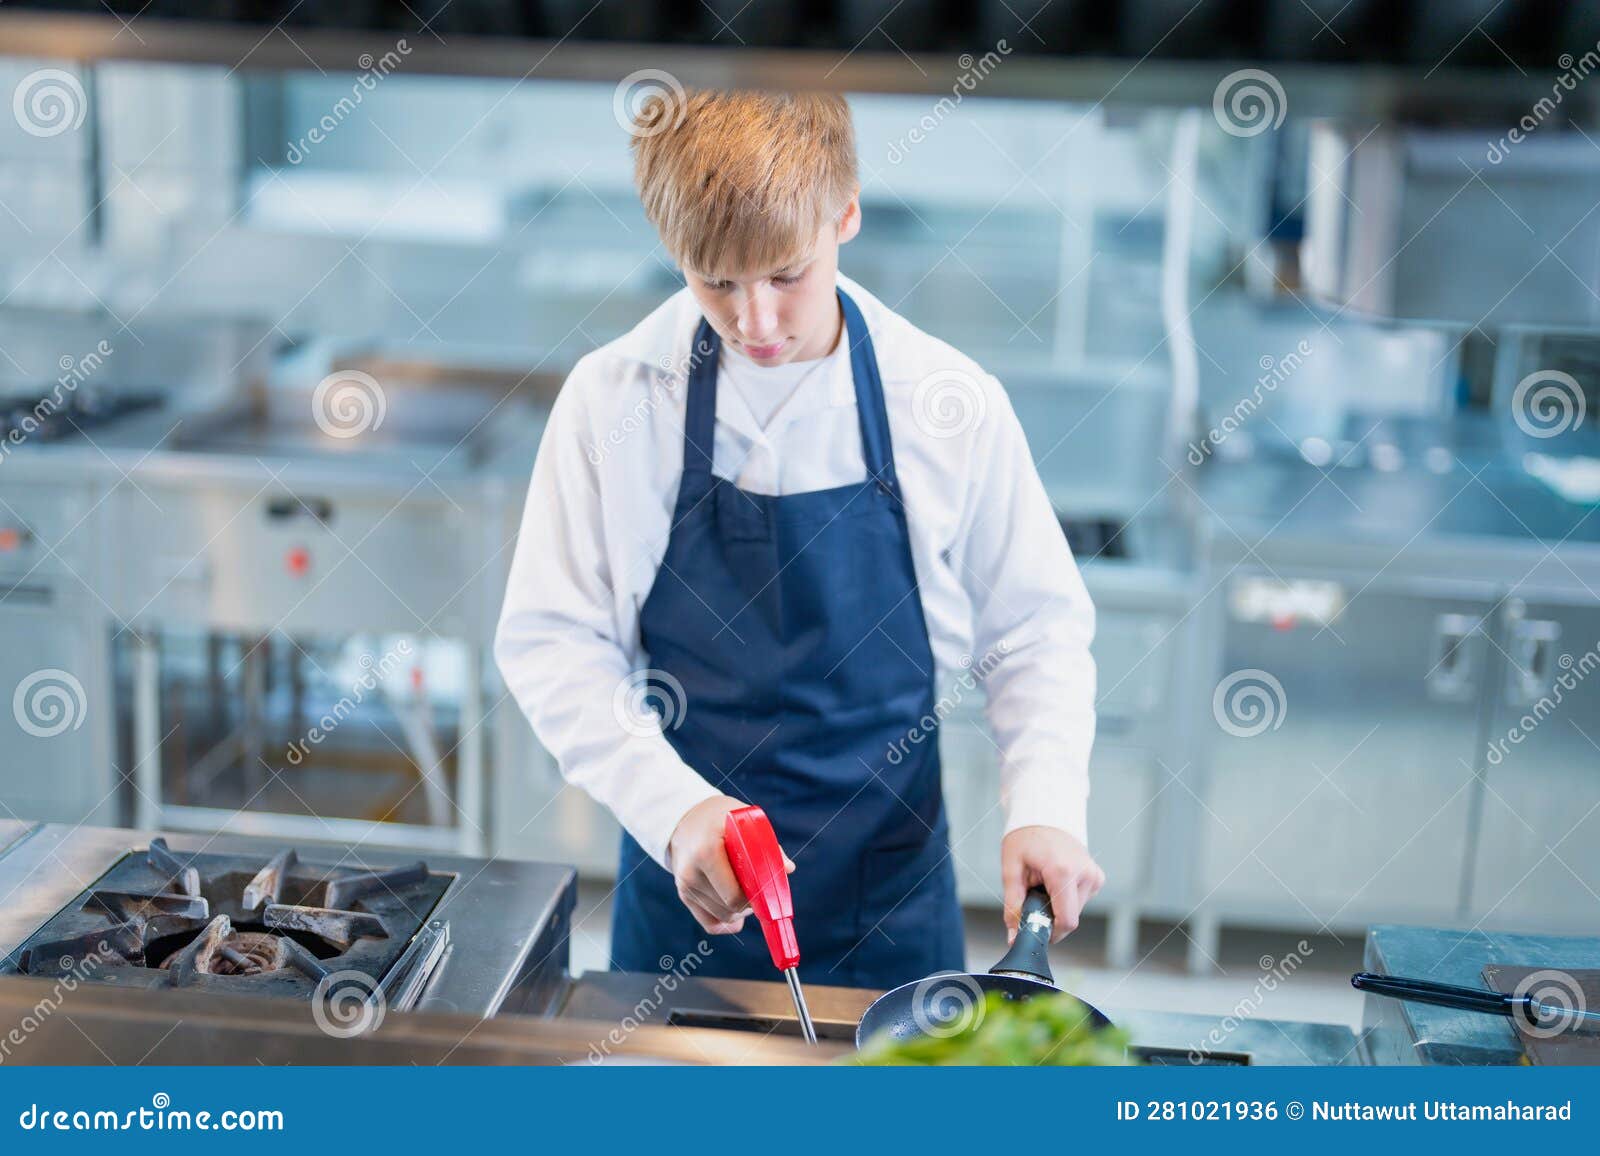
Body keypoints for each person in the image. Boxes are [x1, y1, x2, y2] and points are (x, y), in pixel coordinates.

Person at [495, 89, 1102, 990]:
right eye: (715, 281)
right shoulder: (616, 399)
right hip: (689, 895)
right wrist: (676, 809)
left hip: (888, 897)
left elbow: (1036, 630)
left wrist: (1047, 804)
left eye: (785, 274)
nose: (757, 323)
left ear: (845, 211)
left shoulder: (942, 398)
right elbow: (553, 642)